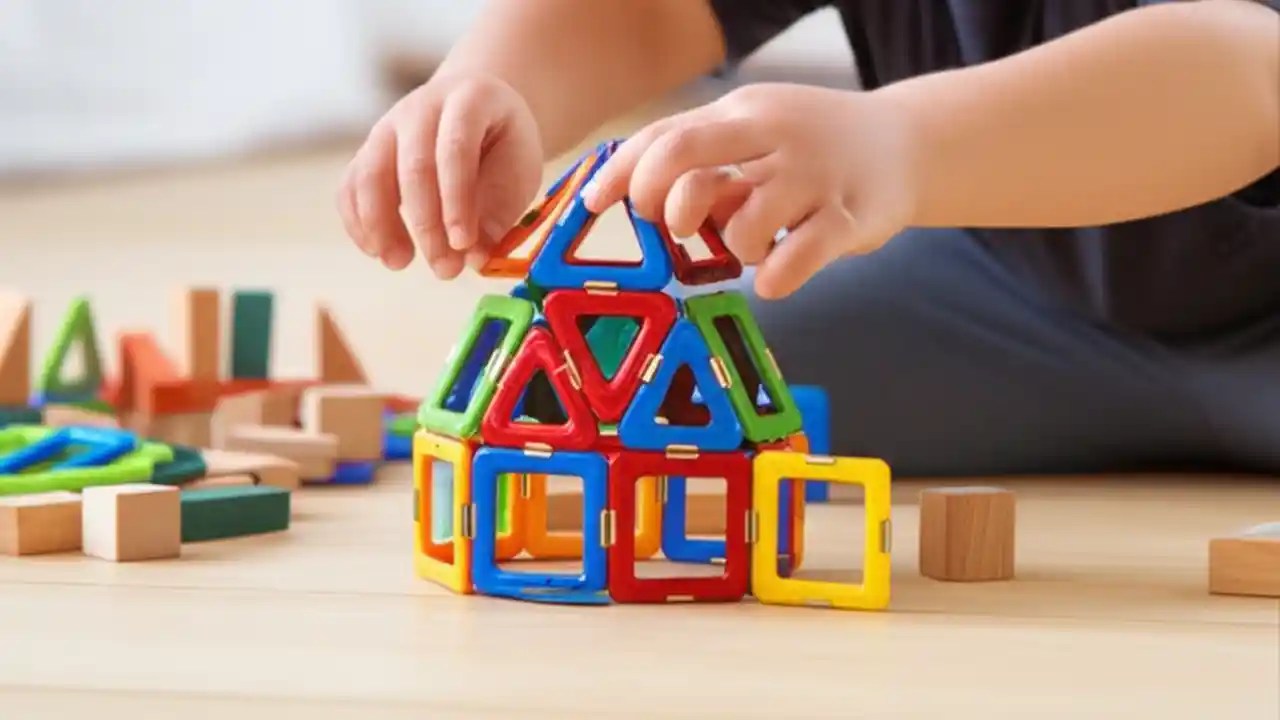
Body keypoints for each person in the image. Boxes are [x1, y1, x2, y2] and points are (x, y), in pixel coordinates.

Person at [336, 0, 1279, 477]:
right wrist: (492, 85)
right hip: (1014, 288)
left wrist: (900, 143)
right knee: (678, 388)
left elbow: (1253, 76)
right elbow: (652, 11)